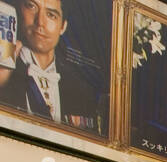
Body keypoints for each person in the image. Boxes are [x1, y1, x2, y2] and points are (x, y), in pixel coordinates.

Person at [0, 0, 105, 133]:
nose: (40, 22)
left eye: (51, 15)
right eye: (31, 6)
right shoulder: (3, 73)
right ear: (19, 9)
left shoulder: (82, 90)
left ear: (63, 27)